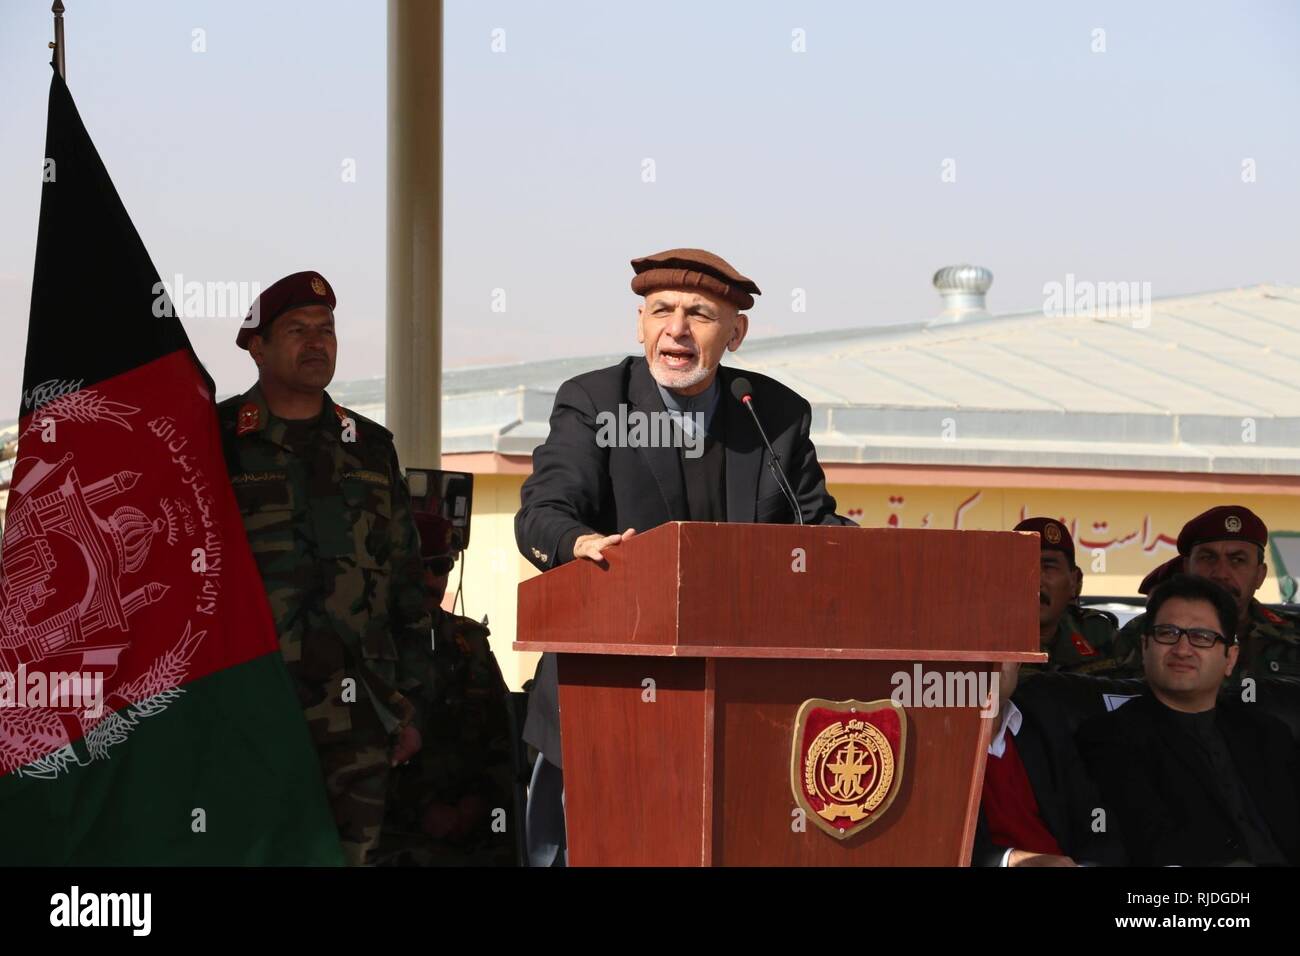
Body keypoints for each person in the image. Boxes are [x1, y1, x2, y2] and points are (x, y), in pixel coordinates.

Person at [514, 247, 855, 864]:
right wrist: (581, 543)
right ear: (640, 325)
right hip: (606, 701)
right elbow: (543, 513)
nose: (677, 328)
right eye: (661, 311)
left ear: (736, 333)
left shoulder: (771, 414)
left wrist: (866, 552)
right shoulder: (596, 402)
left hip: (743, 708)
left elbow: (813, 525)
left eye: (699, 313)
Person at [218, 270, 430, 865]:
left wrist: (412, 701)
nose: (317, 343)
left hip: (360, 709)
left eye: (326, 330)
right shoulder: (217, 440)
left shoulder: (369, 446)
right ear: (256, 347)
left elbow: (407, 580)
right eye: (296, 330)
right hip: (251, 705)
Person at [1076, 574, 1300, 866]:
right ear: (1145, 647)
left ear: (1230, 658)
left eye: (1202, 637)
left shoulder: (1268, 733)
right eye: (1167, 633)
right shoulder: (1111, 737)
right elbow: (1152, 840)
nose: (1182, 649)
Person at [376, 512, 517, 866]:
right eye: (419, 567)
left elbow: (504, 737)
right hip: (391, 827)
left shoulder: (469, 643)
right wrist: (423, 808)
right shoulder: (372, 645)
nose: (430, 579)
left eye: (441, 567)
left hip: (473, 825)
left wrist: (475, 804)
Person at [1113, 505, 1300, 680]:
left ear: (1260, 575)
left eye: (1237, 560)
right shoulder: (1141, 633)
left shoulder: (1293, 634)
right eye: (1208, 558)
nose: (1221, 574)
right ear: (1187, 568)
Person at [973, 661, 1124, 867]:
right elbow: (932, 843)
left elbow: (1094, 814)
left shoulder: (1043, 720)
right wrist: (1010, 861)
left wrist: (1096, 860)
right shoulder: (926, 739)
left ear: (1018, 662)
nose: (989, 663)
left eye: (1000, 647)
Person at [1013, 517, 1120, 676]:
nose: (1036, 580)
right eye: (1024, 566)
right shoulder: (981, 641)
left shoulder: (1098, 635)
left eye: (1048, 567)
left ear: (1074, 582)